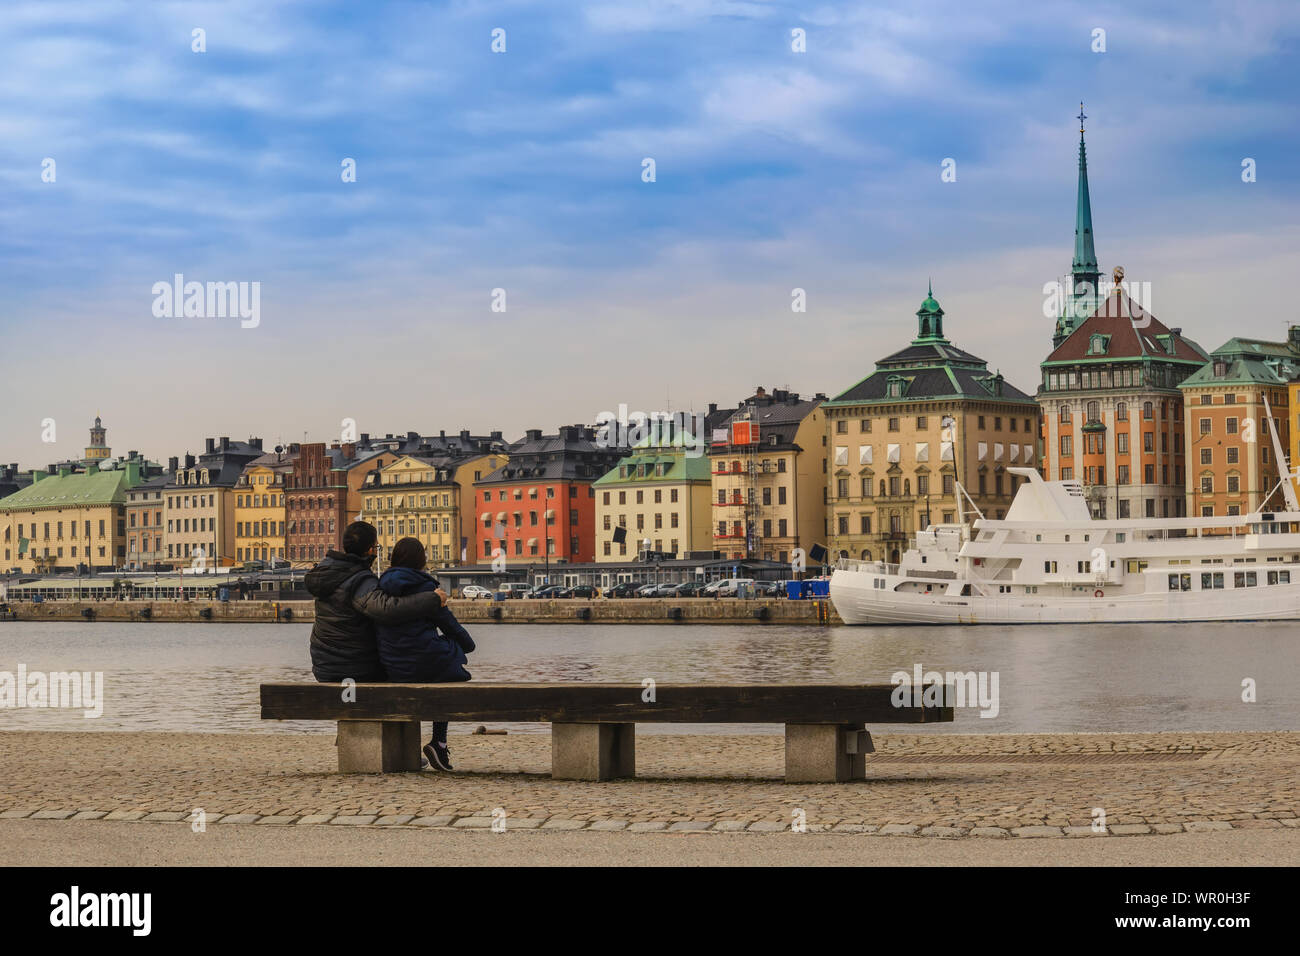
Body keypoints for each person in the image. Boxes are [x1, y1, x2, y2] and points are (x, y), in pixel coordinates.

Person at [305, 522, 449, 684]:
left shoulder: (328, 572)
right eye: (376, 547)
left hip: (323, 666)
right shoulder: (358, 579)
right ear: (369, 550)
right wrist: (433, 598)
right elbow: (385, 609)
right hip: (353, 668)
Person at [376, 537, 476, 772]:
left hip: (393, 664)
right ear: (420, 560)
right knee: (451, 675)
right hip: (424, 661)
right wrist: (466, 646)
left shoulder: (380, 586)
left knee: (438, 668)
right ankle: (439, 742)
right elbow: (449, 624)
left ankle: (412, 747)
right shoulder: (425, 587)